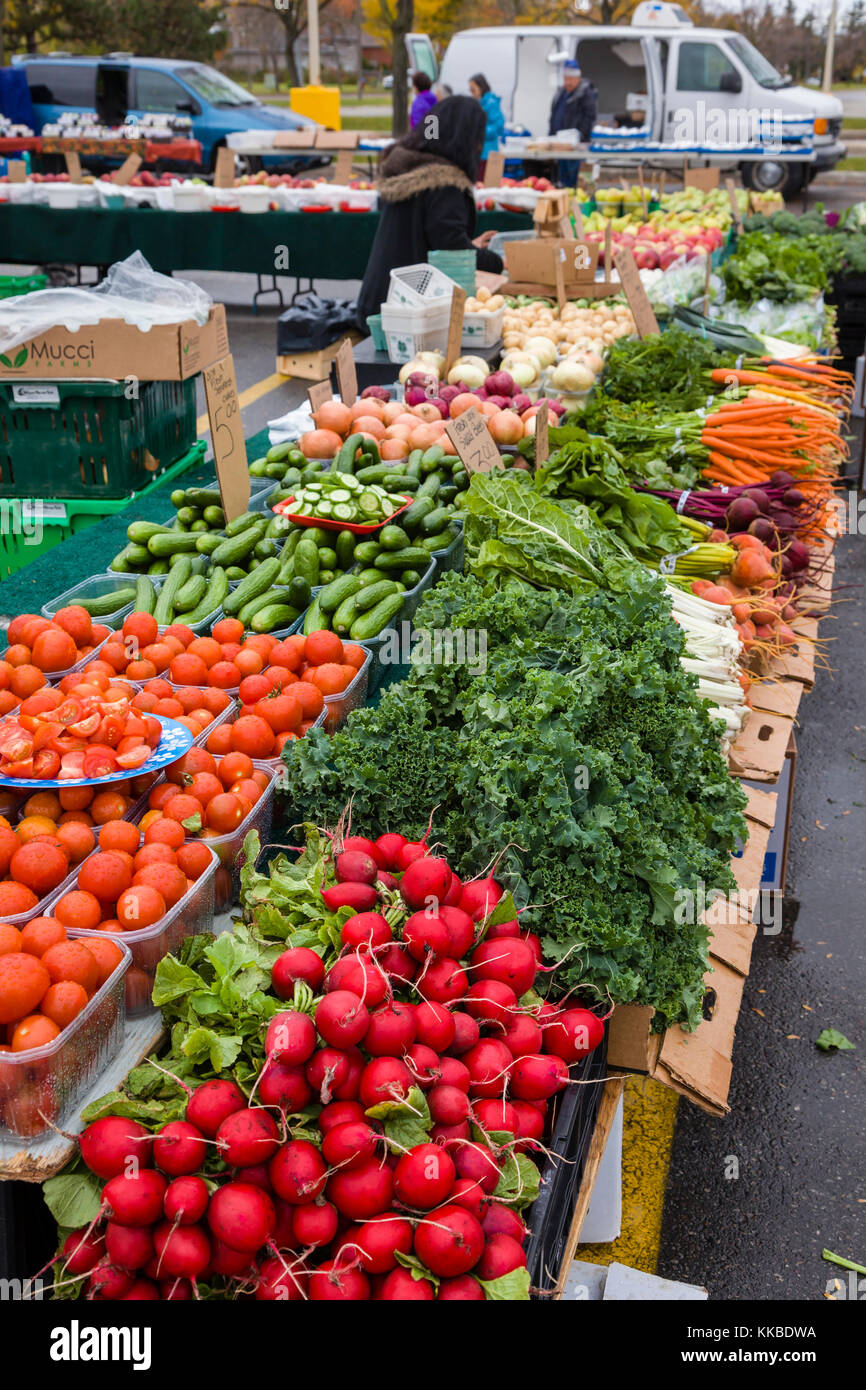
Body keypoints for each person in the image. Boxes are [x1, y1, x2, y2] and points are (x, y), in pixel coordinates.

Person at [357, 95, 503, 330]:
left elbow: (426, 237)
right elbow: (452, 249)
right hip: (403, 316)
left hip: (381, 302)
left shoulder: (414, 169)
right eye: (478, 138)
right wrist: (498, 262)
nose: (479, 146)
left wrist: (471, 244)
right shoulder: (444, 183)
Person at [549, 59, 597, 188]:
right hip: (561, 145)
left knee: (578, 180)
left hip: (577, 147)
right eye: (566, 79)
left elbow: (589, 117)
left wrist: (579, 137)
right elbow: (554, 116)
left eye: (571, 79)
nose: (568, 82)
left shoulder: (585, 93)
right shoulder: (561, 93)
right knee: (562, 180)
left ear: (578, 78)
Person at [469, 73, 505, 177]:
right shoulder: (482, 103)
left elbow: (499, 126)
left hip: (488, 154)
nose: (472, 93)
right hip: (481, 152)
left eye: (473, 89)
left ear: (481, 87)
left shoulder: (490, 103)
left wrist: (479, 131)